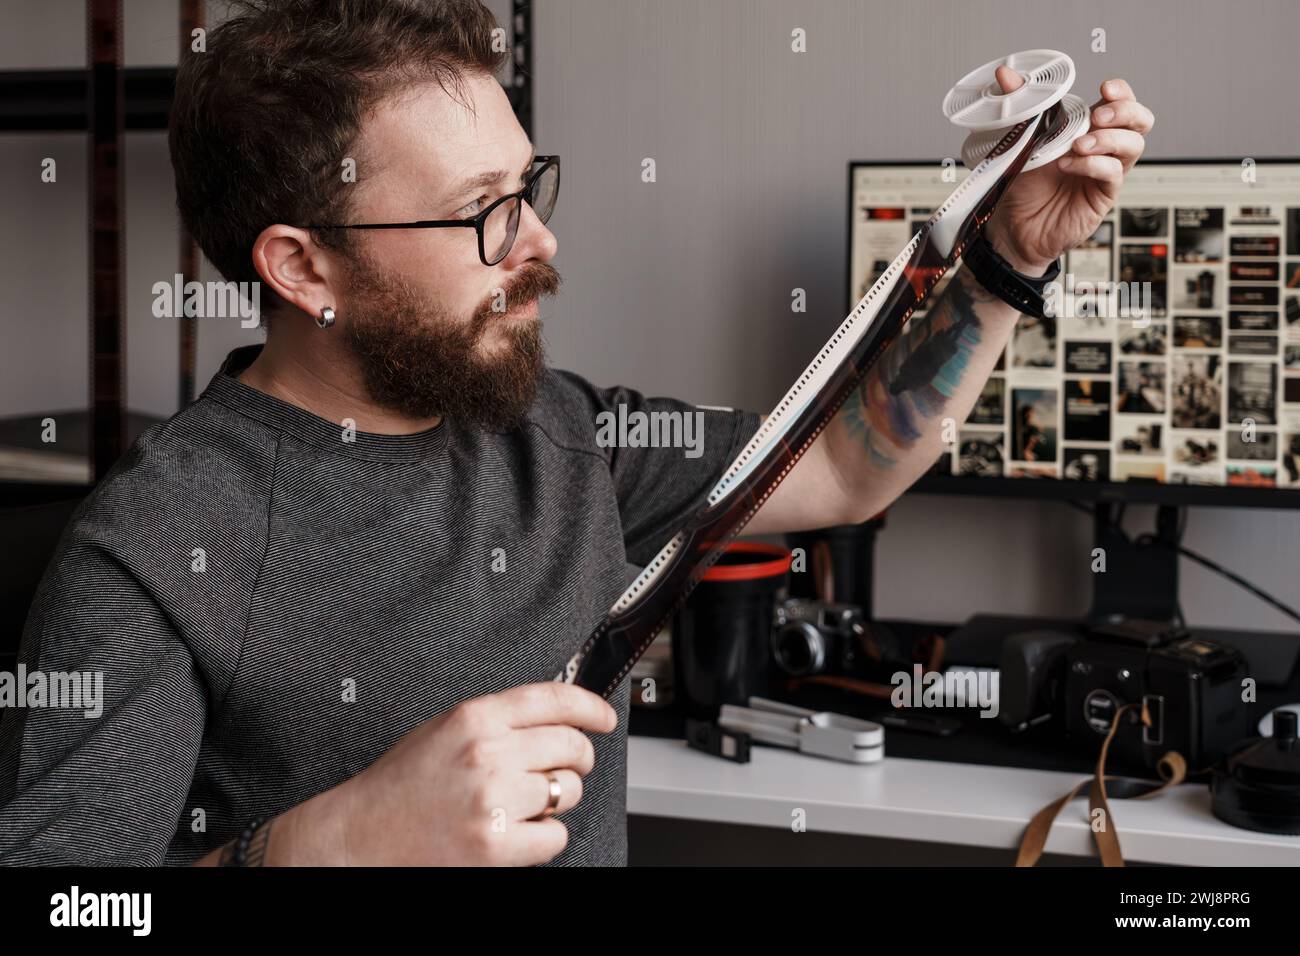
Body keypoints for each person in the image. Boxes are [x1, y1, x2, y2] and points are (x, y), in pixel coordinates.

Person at [0, 0, 1153, 866]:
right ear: (303, 267)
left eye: (529, 187)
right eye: (480, 216)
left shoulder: (561, 435)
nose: (540, 245)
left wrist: (1007, 263)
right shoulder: (154, 549)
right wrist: (323, 842)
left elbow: (849, 463)